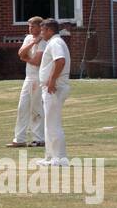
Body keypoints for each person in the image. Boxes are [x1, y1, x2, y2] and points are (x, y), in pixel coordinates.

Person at [36, 19, 71, 166]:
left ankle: (60, 158)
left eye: (43, 30)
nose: (41, 33)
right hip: (50, 87)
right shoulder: (53, 43)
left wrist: (51, 80)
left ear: (50, 30)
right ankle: (50, 157)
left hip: (55, 87)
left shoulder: (56, 43)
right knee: (48, 123)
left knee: (53, 123)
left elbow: (60, 61)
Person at [9, 17, 45, 148]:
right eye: (29, 26)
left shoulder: (44, 41)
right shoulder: (29, 38)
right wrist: (31, 43)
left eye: (33, 26)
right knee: (22, 107)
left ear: (39, 27)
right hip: (28, 77)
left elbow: (37, 61)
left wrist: (25, 58)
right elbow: (20, 53)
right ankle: (19, 139)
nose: (30, 29)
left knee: (36, 108)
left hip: (39, 78)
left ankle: (39, 138)